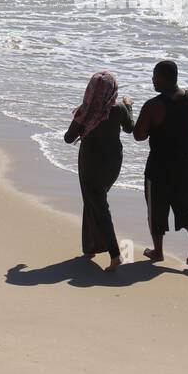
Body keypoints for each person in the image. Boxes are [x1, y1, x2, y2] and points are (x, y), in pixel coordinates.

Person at [133, 59, 188, 265]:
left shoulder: (153, 105)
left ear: (164, 78)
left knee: (156, 208)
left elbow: (139, 135)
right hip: (186, 161)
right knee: (185, 204)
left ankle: (158, 251)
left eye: (155, 75)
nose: (153, 80)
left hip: (160, 164)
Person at [64, 71, 134, 272]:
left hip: (90, 164)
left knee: (98, 205)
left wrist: (79, 122)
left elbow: (69, 138)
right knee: (93, 200)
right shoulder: (119, 109)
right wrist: (128, 105)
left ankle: (115, 254)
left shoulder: (85, 112)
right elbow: (130, 128)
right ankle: (90, 246)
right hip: (113, 164)